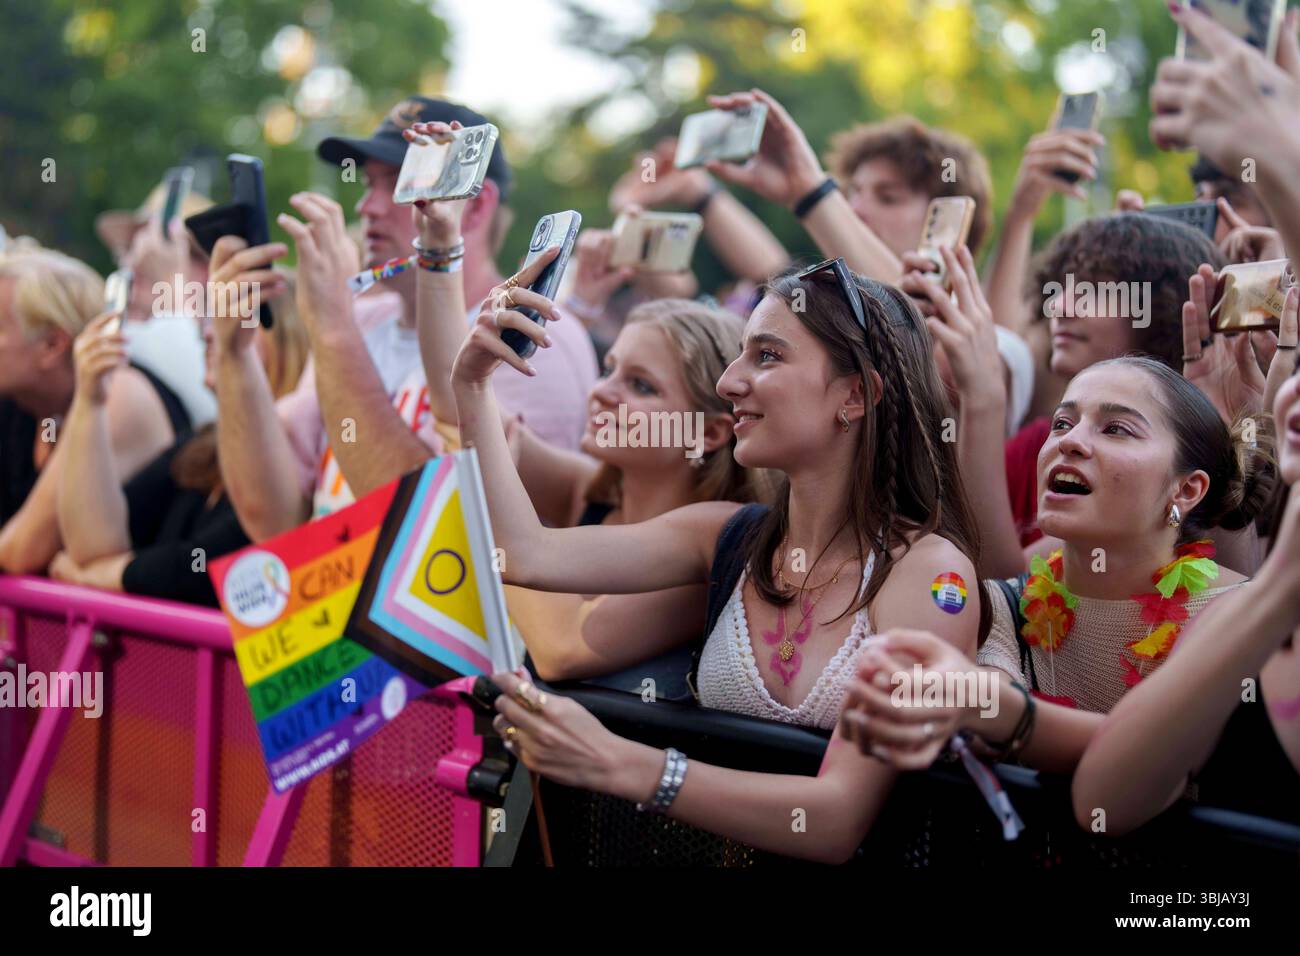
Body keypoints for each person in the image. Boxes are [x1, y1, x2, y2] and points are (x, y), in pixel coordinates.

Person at [455, 253, 989, 863]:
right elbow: (524, 555)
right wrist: (471, 387)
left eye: (766, 356)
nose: (729, 382)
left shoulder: (928, 573)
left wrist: (623, 764)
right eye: (739, 354)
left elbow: (836, 818)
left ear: (856, 395)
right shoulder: (725, 537)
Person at [840, 356, 1270, 776]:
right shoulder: (1003, 605)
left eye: (1116, 429)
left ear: (1186, 489)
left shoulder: (1242, 620)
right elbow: (988, 701)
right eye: (1062, 423)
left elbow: (1171, 760)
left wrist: (1009, 713)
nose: (1069, 441)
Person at [212, 97, 598, 542]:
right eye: (369, 183)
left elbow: (437, 536)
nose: (367, 207)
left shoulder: (535, 332)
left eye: (399, 181)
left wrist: (334, 328)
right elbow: (273, 521)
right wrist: (233, 354)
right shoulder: (367, 321)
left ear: (474, 206)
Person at [48, 273, 308, 606]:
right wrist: (90, 402)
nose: (211, 334)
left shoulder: (302, 463)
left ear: (290, 338)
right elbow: (92, 548)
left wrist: (108, 577)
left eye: (237, 321)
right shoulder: (198, 447)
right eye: (213, 320)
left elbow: (208, 567)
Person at [0, 248, 188, 574]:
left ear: (53, 345)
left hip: (146, 620)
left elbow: (21, 551)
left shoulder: (119, 394)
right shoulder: (21, 400)